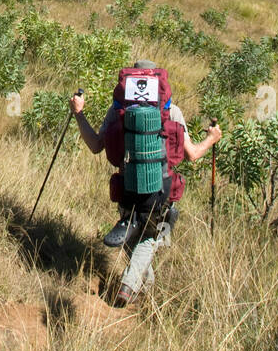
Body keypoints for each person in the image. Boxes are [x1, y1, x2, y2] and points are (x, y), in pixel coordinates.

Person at [69, 60, 221, 307]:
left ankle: (142, 293)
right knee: (151, 236)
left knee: (134, 234)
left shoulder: (118, 109)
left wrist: (79, 114)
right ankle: (128, 286)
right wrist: (212, 139)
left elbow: (96, 145)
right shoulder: (170, 110)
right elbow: (192, 154)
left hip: (126, 184)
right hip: (160, 188)